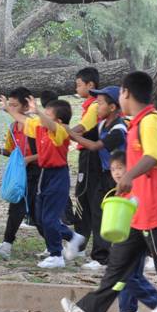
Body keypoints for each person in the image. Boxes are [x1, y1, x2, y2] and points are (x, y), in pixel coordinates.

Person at [61, 70, 157, 312]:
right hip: (136, 208)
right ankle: (90, 311)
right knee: (117, 263)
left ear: (125, 93)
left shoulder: (151, 122)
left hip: (155, 208)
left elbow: (155, 156)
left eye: (118, 93)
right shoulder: (137, 122)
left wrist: (129, 175)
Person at [1, 94, 83, 268]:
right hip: (44, 174)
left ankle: (57, 255)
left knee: (49, 218)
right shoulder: (40, 129)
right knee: (40, 216)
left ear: (58, 120)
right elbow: (24, 119)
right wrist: (9, 109)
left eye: (48, 114)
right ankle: (71, 237)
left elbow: (50, 123)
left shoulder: (60, 131)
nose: (42, 116)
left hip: (58, 175)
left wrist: (37, 111)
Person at [105, 150, 157, 312]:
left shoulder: (137, 189)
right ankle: (128, 311)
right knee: (125, 275)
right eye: (113, 169)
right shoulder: (119, 192)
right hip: (124, 238)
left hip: (136, 237)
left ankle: (156, 300)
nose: (117, 173)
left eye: (121, 168)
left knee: (127, 274)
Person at [69, 85, 128, 272]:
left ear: (112, 107)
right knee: (98, 213)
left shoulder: (119, 128)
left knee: (113, 217)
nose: (96, 106)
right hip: (105, 175)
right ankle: (102, 255)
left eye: (100, 103)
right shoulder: (102, 124)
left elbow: (95, 146)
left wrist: (70, 133)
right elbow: (86, 137)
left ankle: (108, 257)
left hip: (120, 178)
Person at [0, 88, 42, 260]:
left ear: (26, 107)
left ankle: (65, 242)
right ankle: (64, 242)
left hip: (35, 172)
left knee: (29, 210)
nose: (9, 108)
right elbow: (11, 151)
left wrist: (28, 159)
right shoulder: (12, 127)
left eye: (14, 105)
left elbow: (46, 152)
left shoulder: (34, 125)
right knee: (21, 207)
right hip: (20, 171)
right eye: (9, 105)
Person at [71, 67, 106, 264]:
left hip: (91, 158)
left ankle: (81, 244)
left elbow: (83, 128)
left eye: (78, 85)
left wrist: (60, 133)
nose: (76, 88)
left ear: (90, 85)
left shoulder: (93, 106)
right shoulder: (91, 105)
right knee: (86, 199)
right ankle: (81, 244)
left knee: (86, 198)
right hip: (90, 157)